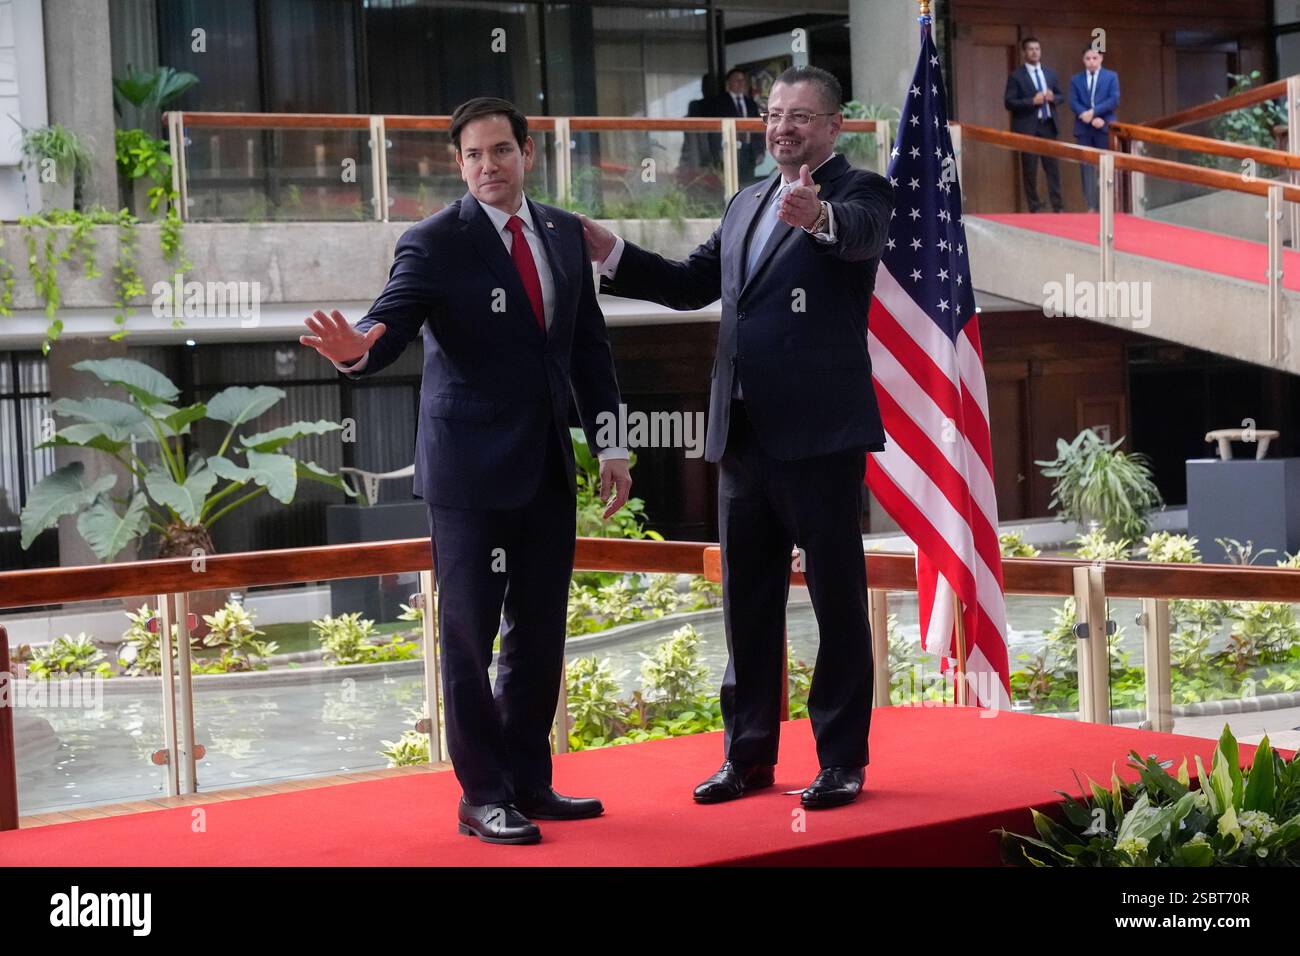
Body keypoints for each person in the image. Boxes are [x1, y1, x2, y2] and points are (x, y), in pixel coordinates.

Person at [298, 96, 632, 845]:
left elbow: (589, 352)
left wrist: (611, 445)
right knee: (469, 639)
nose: (488, 166)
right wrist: (355, 350)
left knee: (539, 633)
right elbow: (392, 321)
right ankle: (482, 796)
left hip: (547, 467)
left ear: (528, 154)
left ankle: (528, 781)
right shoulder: (434, 241)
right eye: (474, 155)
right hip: (468, 480)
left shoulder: (563, 235)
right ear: (458, 163)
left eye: (501, 151)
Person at [580, 65, 893, 811]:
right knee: (745, 607)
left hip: (819, 438)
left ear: (833, 127)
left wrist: (816, 216)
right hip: (742, 438)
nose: (783, 126)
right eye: (775, 113)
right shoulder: (746, 200)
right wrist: (611, 253)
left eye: (802, 116)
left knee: (836, 605)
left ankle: (842, 761)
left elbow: (854, 239)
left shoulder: (860, 193)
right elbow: (694, 285)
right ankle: (747, 757)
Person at [1004, 36, 1064, 212]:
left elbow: (1061, 96)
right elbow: (1009, 102)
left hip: (1048, 125)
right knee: (1030, 169)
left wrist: (1054, 98)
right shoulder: (1016, 76)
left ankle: (1058, 206)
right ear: (1024, 53)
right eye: (1031, 49)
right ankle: (1034, 206)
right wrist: (1032, 101)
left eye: (1037, 49)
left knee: (1052, 168)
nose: (1035, 52)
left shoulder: (1050, 73)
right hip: (1027, 127)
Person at [1069, 47, 1120, 212]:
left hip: (1104, 126)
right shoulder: (1076, 79)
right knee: (1087, 168)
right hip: (1084, 128)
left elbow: (1113, 100)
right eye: (1088, 58)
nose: (1091, 61)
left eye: (1094, 58)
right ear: (1083, 60)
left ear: (1101, 59)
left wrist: (1095, 113)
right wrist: (1086, 114)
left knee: (1106, 166)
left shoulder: (1111, 76)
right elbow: (1073, 101)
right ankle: (1091, 205)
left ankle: (1108, 204)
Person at [713, 67, 765, 184]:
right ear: (728, 83)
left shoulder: (751, 103)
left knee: (749, 185)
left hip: (749, 151)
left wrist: (760, 151)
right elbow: (716, 131)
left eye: (742, 80)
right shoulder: (719, 102)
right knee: (732, 184)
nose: (740, 83)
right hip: (729, 150)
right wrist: (718, 152)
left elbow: (758, 129)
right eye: (737, 80)